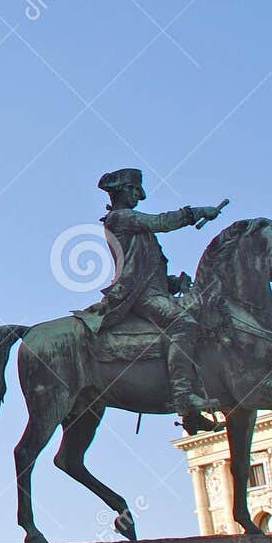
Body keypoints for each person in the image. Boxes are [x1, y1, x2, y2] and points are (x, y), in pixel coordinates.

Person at [93, 168, 226, 433]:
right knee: (183, 324)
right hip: (139, 295)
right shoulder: (121, 218)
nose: (138, 196)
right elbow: (163, 222)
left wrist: (173, 283)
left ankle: (192, 414)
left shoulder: (131, 223)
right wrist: (197, 212)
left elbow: (143, 266)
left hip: (152, 290)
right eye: (134, 190)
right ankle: (183, 396)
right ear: (121, 191)